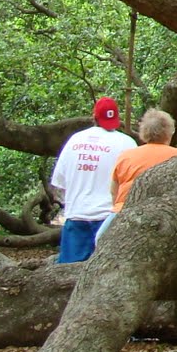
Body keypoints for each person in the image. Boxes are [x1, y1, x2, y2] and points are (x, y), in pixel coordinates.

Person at [49, 96, 136, 263]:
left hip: (77, 215)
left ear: (94, 117)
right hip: (110, 217)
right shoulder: (127, 143)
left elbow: (59, 183)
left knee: (69, 274)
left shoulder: (75, 140)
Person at [95, 109, 177, 242]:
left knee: (99, 240)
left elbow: (114, 192)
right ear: (169, 132)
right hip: (164, 217)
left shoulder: (126, 156)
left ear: (143, 132)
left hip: (123, 212)